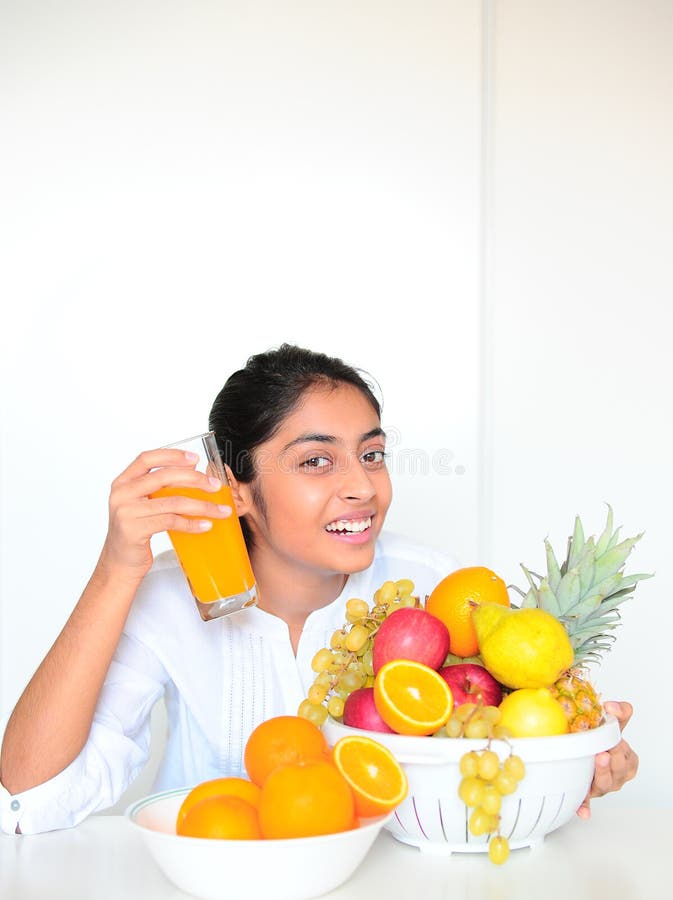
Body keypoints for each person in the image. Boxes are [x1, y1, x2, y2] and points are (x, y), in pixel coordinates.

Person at [0, 344, 637, 834]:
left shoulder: (435, 590)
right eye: (316, 461)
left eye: (372, 454)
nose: (362, 487)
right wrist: (115, 571)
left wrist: (581, 760)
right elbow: (31, 800)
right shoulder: (166, 596)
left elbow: (496, 748)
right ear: (235, 489)